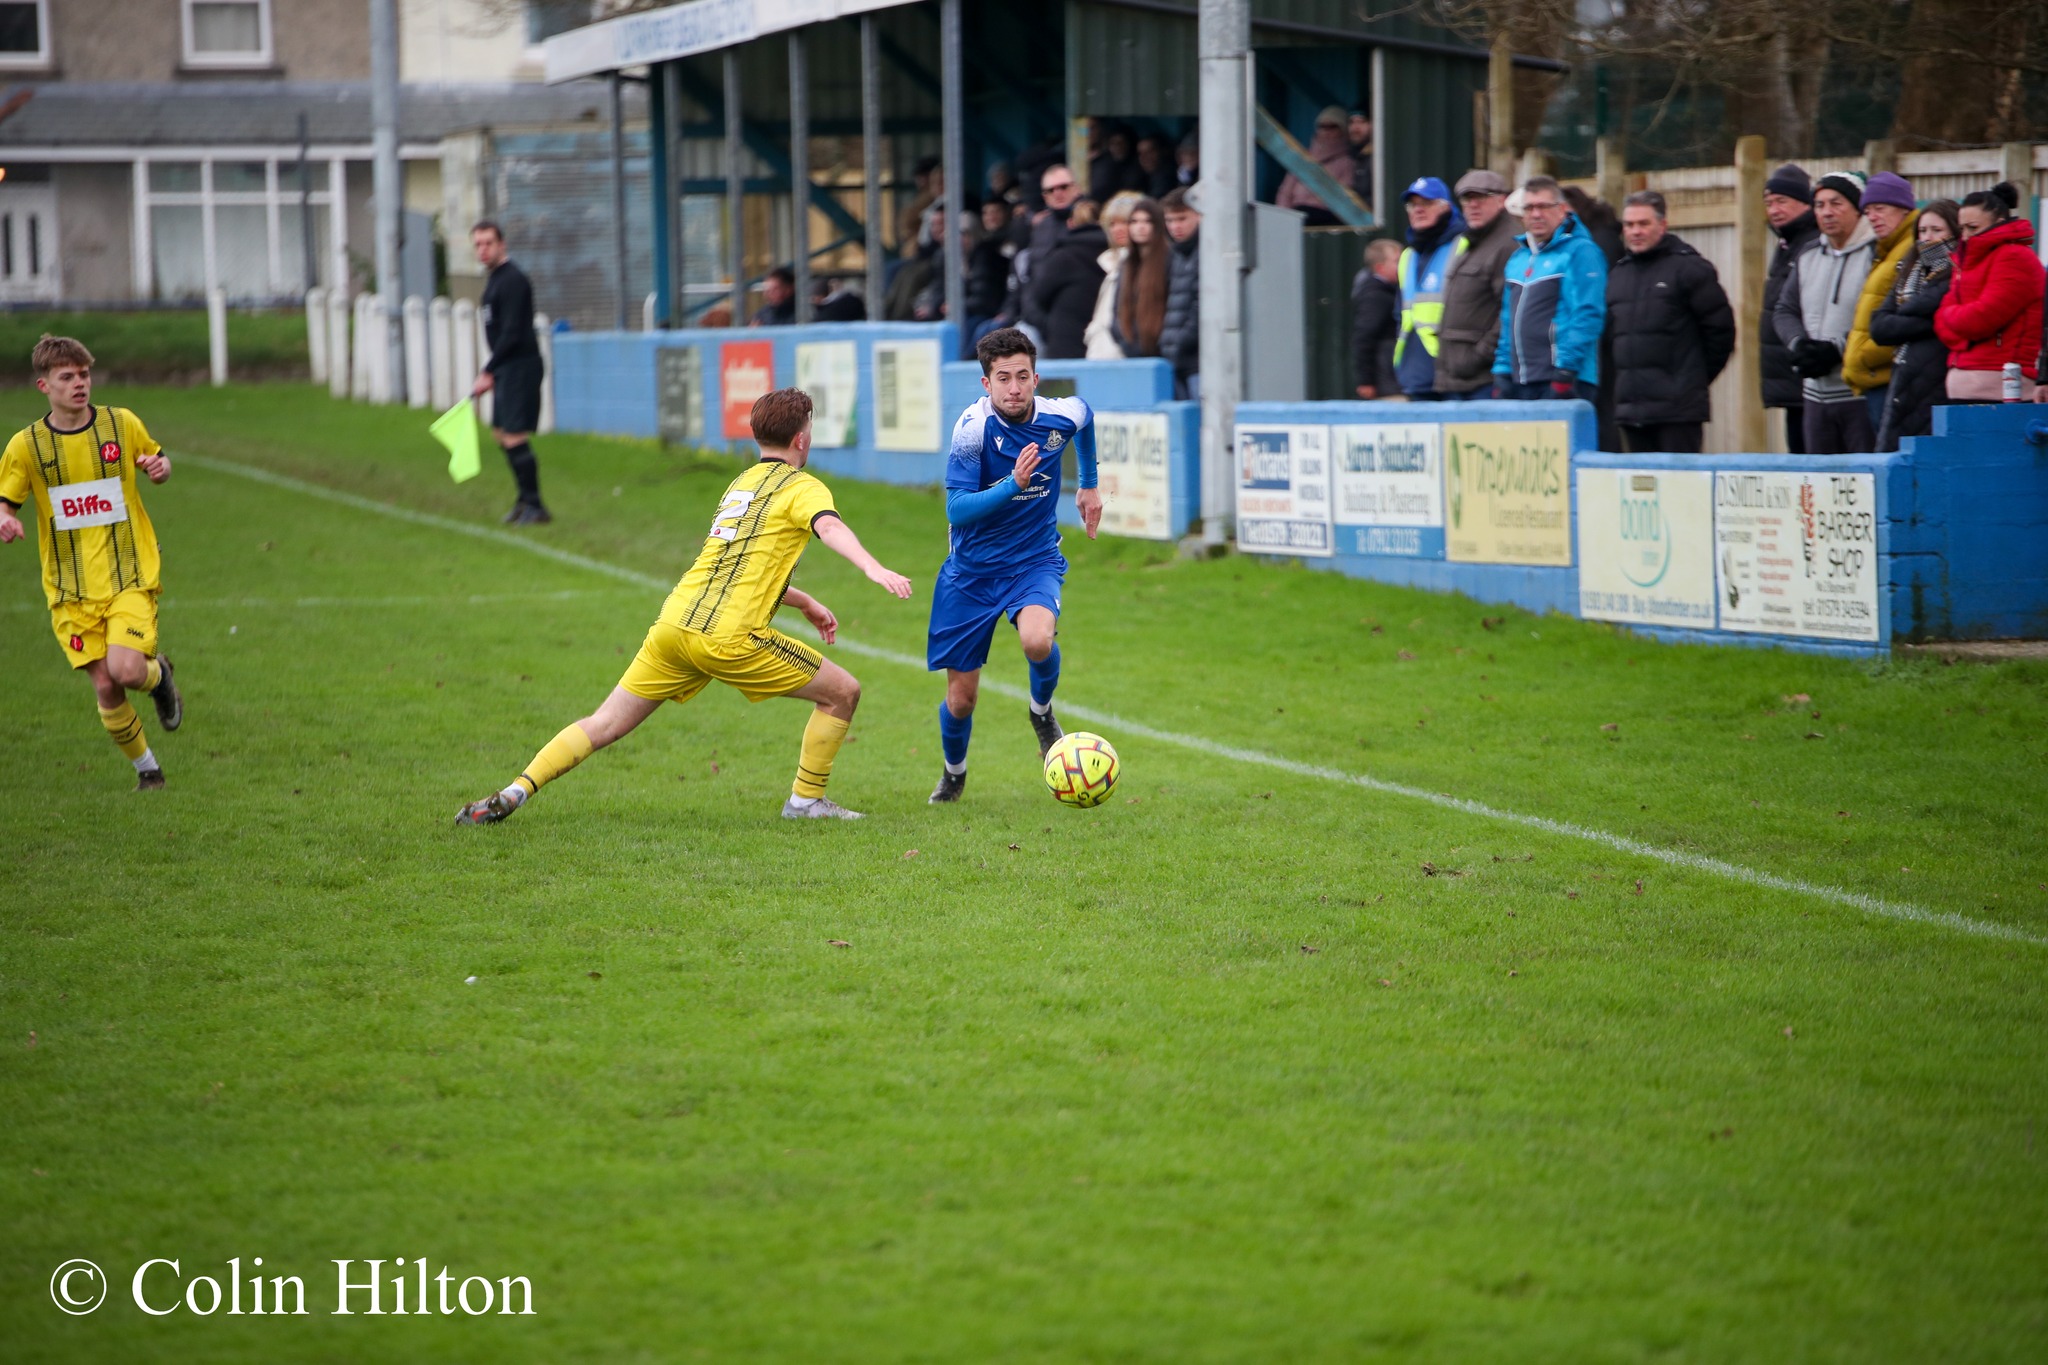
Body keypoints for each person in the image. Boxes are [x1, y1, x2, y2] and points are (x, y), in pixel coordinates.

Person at [457, 389, 913, 827]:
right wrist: (872, 567)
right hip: (729, 637)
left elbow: (733, 566)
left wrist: (804, 601)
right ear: (801, 439)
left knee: (605, 722)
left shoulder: (741, 484)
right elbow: (829, 528)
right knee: (843, 692)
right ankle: (806, 802)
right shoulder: (803, 487)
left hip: (673, 625)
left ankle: (516, 790)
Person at [0, 335, 184, 790]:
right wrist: (5, 519)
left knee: (127, 670)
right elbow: (6, 501)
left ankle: (159, 677)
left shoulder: (121, 424)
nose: (79, 384)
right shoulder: (26, 447)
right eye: (67, 377)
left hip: (129, 573)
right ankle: (149, 773)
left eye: (84, 374)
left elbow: (158, 461)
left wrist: (160, 469)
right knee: (106, 686)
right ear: (44, 386)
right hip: (70, 589)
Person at [926, 329, 1101, 804]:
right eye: (1003, 378)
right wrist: (1012, 484)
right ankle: (954, 773)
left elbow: (1085, 417)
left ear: (1036, 378)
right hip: (972, 572)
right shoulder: (972, 430)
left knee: (1037, 640)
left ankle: (1041, 712)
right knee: (961, 699)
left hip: (1033, 559)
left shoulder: (1058, 415)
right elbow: (956, 509)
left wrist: (1088, 483)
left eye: (1023, 376)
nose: (1015, 388)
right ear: (987, 384)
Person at [1603, 190, 1735, 453]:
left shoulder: (1690, 269)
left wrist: (1690, 380)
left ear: (1662, 225)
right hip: (1631, 411)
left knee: (1681, 479)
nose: (1635, 231)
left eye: (1644, 223)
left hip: (1678, 412)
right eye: (1629, 225)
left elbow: (1721, 331)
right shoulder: (1618, 275)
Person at [1773, 171, 1878, 453]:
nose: (1827, 212)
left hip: (1860, 395)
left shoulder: (1876, 254)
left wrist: (1837, 349)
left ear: (1857, 209)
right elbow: (1784, 309)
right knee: (1819, 478)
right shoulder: (1807, 255)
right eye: (1819, 205)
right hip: (1814, 397)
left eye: (1836, 203)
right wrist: (1799, 344)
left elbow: (1881, 318)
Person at [1493, 175, 1608, 403]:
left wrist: (1565, 370)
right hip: (1521, 381)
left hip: (1565, 379)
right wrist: (1502, 370)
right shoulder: (1518, 258)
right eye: (1529, 208)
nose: (1536, 214)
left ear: (1562, 210)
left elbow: (1588, 314)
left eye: (1544, 206)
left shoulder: (1580, 251)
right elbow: (1507, 321)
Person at [470, 220, 551, 524]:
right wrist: (494, 370)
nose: (483, 250)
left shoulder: (513, 280)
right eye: (478, 244)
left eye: (488, 243)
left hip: (520, 366)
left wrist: (488, 370)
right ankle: (523, 499)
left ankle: (536, 505)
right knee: (501, 433)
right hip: (506, 366)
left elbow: (513, 332)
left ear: (501, 245)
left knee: (514, 434)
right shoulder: (495, 280)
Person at [1934, 182, 2043, 401]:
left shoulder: (2015, 257)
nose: (1965, 236)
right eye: (1962, 228)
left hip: (2001, 386)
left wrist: (1951, 317)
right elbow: (1940, 323)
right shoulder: (1966, 262)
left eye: (1973, 228)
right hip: (1968, 384)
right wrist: (1956, 320)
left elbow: (1981, 318)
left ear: (1999, 223)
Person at [1869, 200, 1959, 451]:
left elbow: (1937, 314)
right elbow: (1879, 327)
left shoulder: (1958, 275)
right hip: (1903, 381)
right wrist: (1927, 322)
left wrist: (1905, 320)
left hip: (1937, 381)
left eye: (1937, 230)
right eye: (1922, 231)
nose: (1928, 238)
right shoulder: (1909, 271)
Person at [1842, 172, 1921, 428]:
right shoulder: (1886, 250)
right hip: (1879, 381)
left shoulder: (1912, 249)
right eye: (1867, 211)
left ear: (1903, 208)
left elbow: (1914, 319)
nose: (1872, 217)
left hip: (1893, 379)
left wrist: (1864, 355)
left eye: (1880, 208)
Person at [1434, 169, 1520, 400]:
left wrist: (1479, 356)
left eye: (1481, 198)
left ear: (1502, 200)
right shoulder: (1474, 241)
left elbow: (1511, 310)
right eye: (1467, 199)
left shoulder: (1508, 244)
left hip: (1483, 379)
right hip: (1458, 378)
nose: (1473, 205)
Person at [1761, 165, 1820, 452]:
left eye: (1781, 201)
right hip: (1791, 379)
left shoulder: (1813, 244)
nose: (1773, 210)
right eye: (1769, 203)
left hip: (1812, 378)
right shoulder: (1787, 244)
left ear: (1805, 203)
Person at [1391, 177, 1463, 399]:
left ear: (1445, 207)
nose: (1418, 210)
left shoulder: (1463, 246)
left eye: (1427, 203)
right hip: (1414, 373)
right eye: (1413, 205)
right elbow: (1401, 314)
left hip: (1453, 373)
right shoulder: (1408, 256)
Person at [1028, 198, 1109, 360]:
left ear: (1070, 223)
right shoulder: (1112, 254)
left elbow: (1040, 295)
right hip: (1103, 341)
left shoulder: (1062, 256)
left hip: (1066, 340)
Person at [1275, 107, 1360, 226]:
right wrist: (1284, 218)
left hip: (1324, 220)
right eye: (1322, 126)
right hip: (1294, 217)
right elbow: (1285, 192)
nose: (1326, 131)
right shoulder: (1303, 159)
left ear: (1343, 130)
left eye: (1333, 126)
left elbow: (1343, 199)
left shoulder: (1347, 163)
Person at [1084, 191, 1142, 360]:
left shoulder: (1143, 265)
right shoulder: (1109, 265)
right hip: (1101, 353)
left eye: (1124, 222)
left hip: (1126, 356)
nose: (1117, 229)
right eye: (1112, 224)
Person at [1157, 187, 1202, 399]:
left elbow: (1200, 307)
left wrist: (1179, 343)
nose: (1175, 227)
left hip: (1198, 362)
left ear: (1199, 215)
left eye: (1182, 218)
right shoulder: (1175, 254)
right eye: (1170, 220)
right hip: (1175, 359)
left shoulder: (1207, 251)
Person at [1112, 197, 1169, 360]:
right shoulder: (1126, 265)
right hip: (1132, 355)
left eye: (1147, 221)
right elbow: (1116, 313)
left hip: (1163, 354)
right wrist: (1128, 345)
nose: (1140, 227)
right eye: (1134, 221)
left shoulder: (1170, 261)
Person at [1351, 238, 1401, 398]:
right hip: (1386, 382)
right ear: (1380, 267)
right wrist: (1366, 381)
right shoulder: (1376, 296)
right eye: (1397, 261)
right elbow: (1365, 337)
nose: (1403, 265)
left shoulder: (1390, 292)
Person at [1089, 123, 1145, 203]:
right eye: (1113, 143)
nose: (1117, 147)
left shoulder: (1137, 168)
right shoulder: (1105, 164)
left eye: (1121, 143)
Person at [1135, 134, 1177, 200]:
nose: (1144, 157)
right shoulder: (1140, 175)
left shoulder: (1167, 175)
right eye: (1140, 153)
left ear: (1163, 151)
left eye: (1149, 152)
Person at [1347, 112, 1374, 210]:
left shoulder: (1378, 158)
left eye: (1361, 122)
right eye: (1351, 122)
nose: (1355, 128)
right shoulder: (1349, 155)